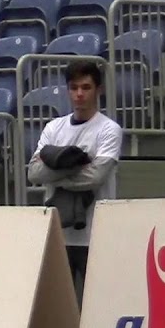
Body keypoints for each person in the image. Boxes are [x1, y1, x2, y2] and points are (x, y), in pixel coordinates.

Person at [26, 59, 122, 306]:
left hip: (96, 233)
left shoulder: (109, 129)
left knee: (98, 307)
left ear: (98, 90)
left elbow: (96, 177)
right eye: (74, 87)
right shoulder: (53, 128)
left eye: (86, 87)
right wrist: (77, 165)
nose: (79, 94)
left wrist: (57, 170)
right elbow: (34, 173)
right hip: (59, 235)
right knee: (58, 308)